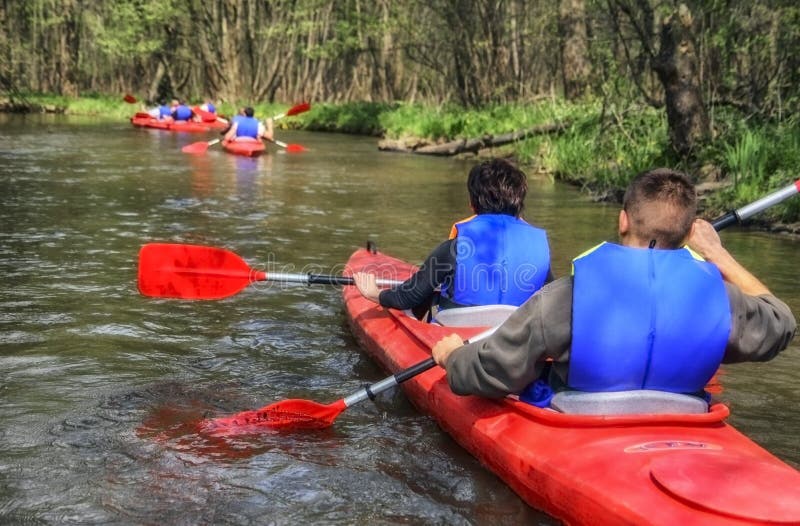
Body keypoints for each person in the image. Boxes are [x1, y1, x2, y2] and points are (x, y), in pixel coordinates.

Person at [431, 168, 796, 405]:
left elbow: (495, 371)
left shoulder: (568, 296)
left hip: (580, 422)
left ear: (622, 220)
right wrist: (718, 254)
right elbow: (782, 322)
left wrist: (454, 359)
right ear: (689, 234)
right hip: (684, 417)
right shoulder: (720, 297)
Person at [353, 159, 553, 316]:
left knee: (429, 298)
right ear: (519, 203)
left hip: (459, 336)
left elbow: (409, 296)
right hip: (517, 338)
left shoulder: (454, 249)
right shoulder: (540, 249)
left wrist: (375, 293)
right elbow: (553, 298)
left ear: (472, 204)